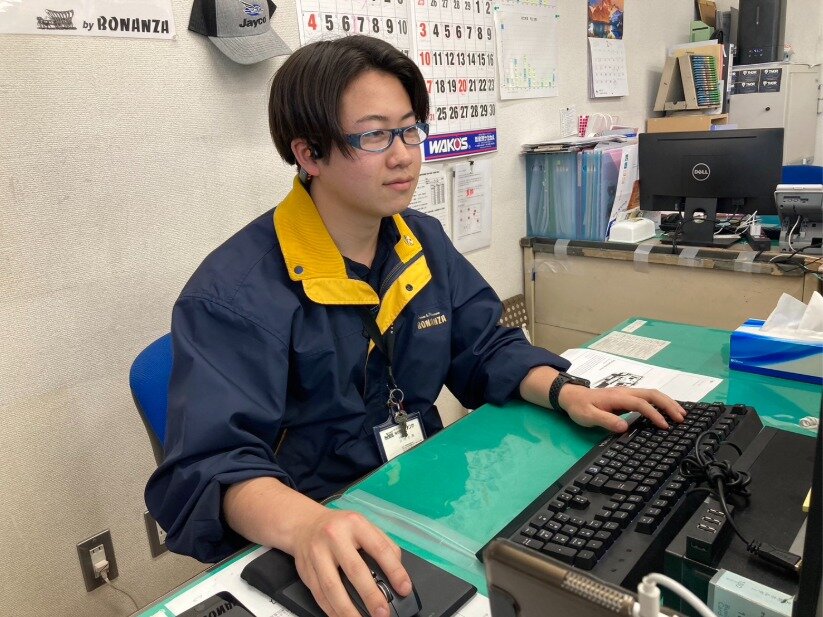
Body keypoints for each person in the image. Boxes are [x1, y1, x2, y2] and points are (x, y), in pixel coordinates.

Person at [145, 35, 685, 617]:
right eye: (374, 135)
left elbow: (484, 344)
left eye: (409, 130)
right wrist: (306, 526)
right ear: (309, 154)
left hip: (429, 495)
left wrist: (566, 391)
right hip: (317, 530)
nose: (403, 155)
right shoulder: (234, 294)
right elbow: (211, 466)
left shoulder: (420, 240)